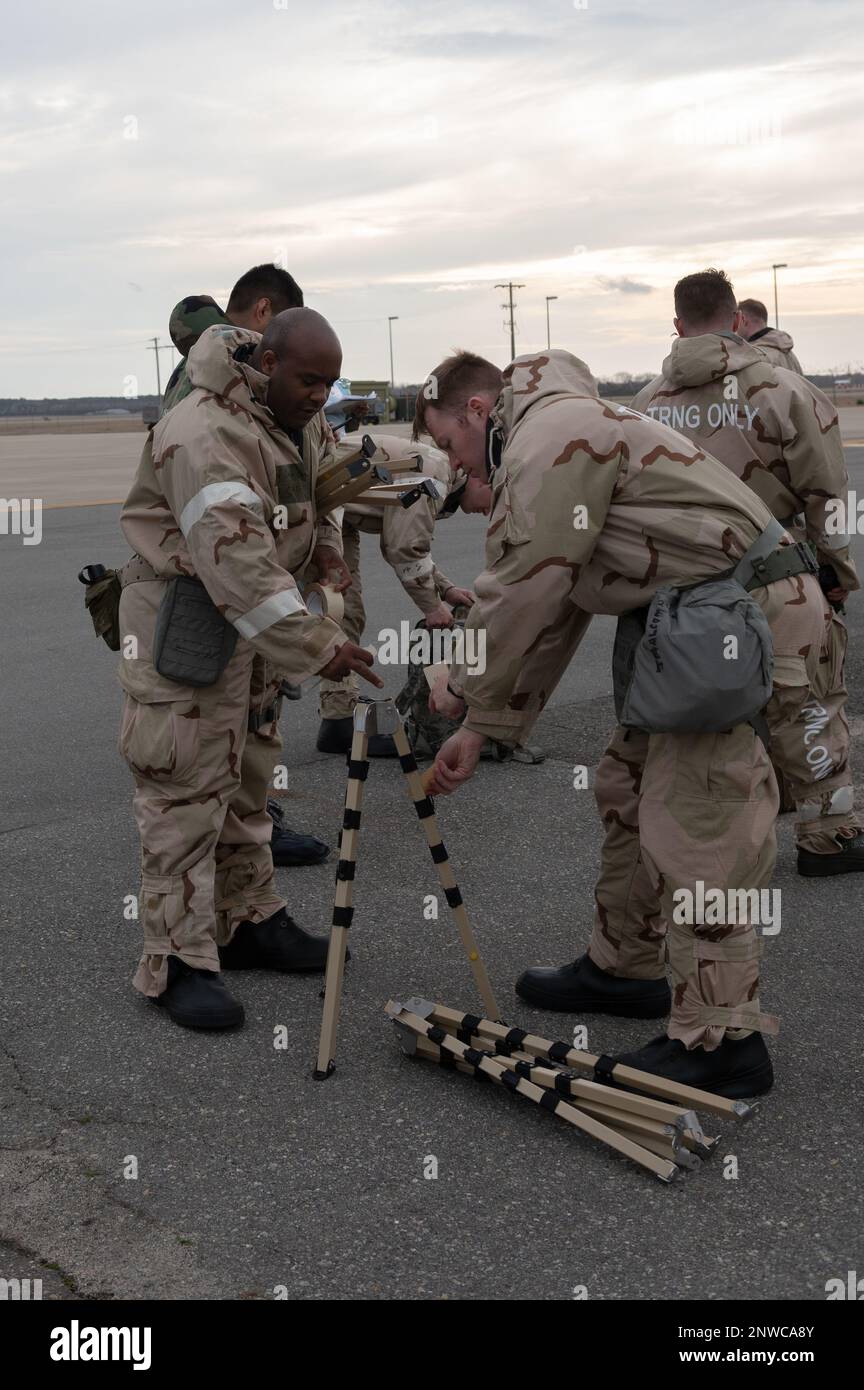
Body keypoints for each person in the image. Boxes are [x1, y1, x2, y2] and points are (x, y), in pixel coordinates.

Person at [415, 347, 826, 1097]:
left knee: (703, 820)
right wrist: (483, 725)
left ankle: (720, 1039)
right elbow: (558, 605)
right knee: (629, 787)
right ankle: (625, 967)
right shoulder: (560, 427)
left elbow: (520, 590)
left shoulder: (548, 437)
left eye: (448, 444)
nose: (458, 467)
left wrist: (460, 683)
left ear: (478, 410)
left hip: (730, 622)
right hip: (691, 621)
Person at [118, 308, 382, 1030]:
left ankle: (246, 919)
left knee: (248, 779)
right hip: (191, 625)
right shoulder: (204, 431)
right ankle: (175, 958)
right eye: (308, 380)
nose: (319, 396)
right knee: (183, 792)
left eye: (329, 383)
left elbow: (319, 489)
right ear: (267, 364)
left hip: (257, 633)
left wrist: (327, 549)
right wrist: (322, 646)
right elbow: (232, 554)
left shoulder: (289, 414)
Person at [632, 269, 863, 874]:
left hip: (682, 598)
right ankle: (829, 834)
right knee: (806, 699)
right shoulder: (784, 391)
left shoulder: (647, 404)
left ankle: (715, 849)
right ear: (737, 321)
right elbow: (827, 494)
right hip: (773, 580)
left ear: (678, 326)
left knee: (707, 721)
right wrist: (837, 573)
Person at [159, 263, 326, 866]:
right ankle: (189, 939)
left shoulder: (261, 393)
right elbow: (223, 517)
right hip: (216, 594)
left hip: (254, 592)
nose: (318, 395)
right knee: (208, 756)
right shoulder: (206, 400)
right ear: (262, 315)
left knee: (255, 734)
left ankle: (248, 886)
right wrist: (314, 642)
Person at [316, 431, 481, 755]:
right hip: (322, 506)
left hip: (336, 506)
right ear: (476, 479)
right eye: (492, 495)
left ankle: (340, 704)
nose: (485, 511)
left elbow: (406, 541)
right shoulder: (436, 475)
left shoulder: (439, 470)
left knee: (346, 610)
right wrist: (433, 608)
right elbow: (404, 548)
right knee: (339, 611)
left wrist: (444, 589)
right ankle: (337, 722)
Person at [161, 263, 304, 417]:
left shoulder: (193, 361)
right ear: (263, 310)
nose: (284, 341)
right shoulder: (239, 370)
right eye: (284, 328)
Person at [737, 297, 803, 373]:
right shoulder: (789, 353)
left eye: (736, 320)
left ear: (744, 320)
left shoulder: (756, 357)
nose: (735, 327)